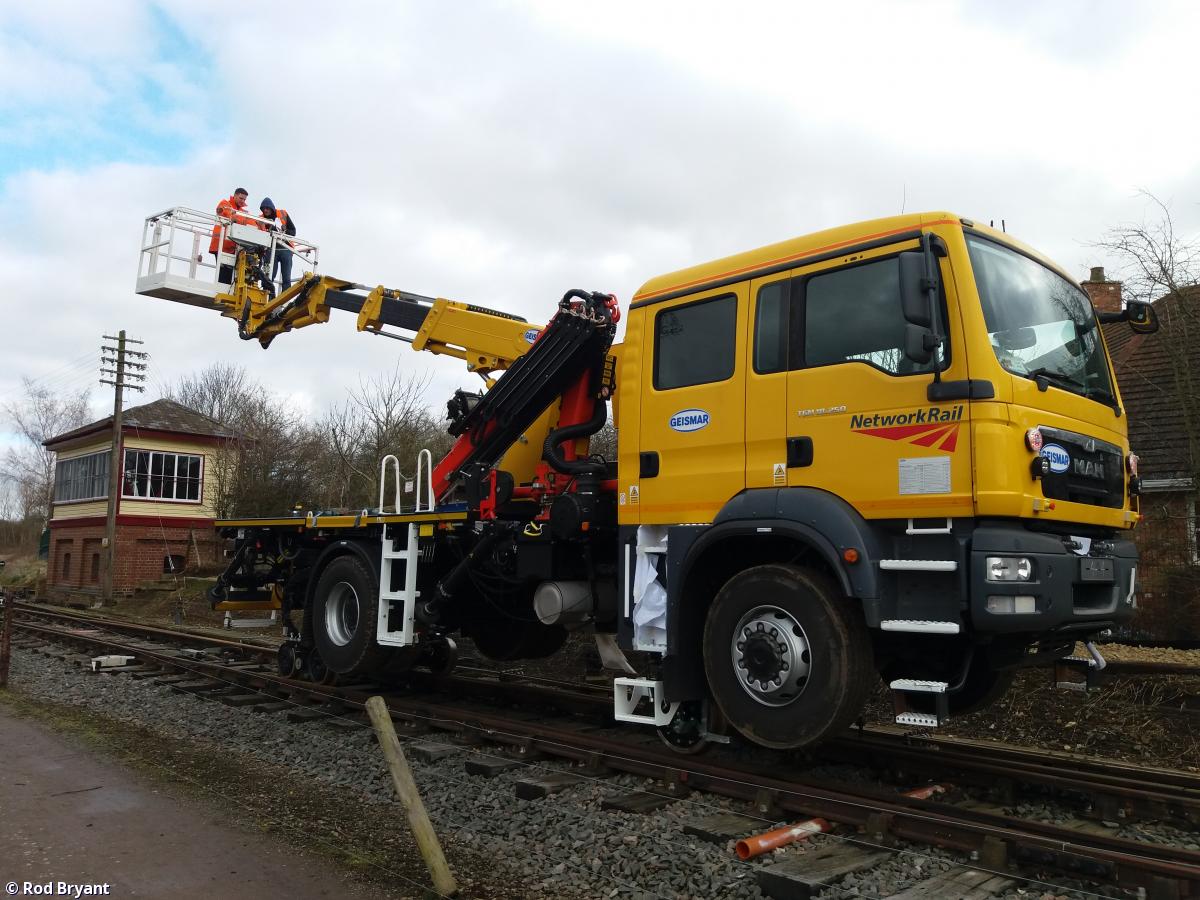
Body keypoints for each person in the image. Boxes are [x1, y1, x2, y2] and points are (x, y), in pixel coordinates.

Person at [209, 187, 254, 284]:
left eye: (244, 199)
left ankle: (224, 294)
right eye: (241, 198)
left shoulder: (243, 212)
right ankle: (220, 293)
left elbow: (251, 222)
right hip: (220, 245)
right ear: (235, 196)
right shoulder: (225, 204)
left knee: (229, 275)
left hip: (233, 248)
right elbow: (229, 215)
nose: (243, 201)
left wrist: (262, 225)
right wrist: (240, 220)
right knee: (222, 274)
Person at [259, 198, 297, 290]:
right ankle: (269, 299)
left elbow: (293, 231)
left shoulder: (283, 214)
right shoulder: (260, 219)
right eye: (263, 209)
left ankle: (284, 302)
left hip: (286, 249)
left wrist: (285, 230)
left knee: (286, 279)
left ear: (272, 208)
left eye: (267, 208)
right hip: (271, 250)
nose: (265, 210)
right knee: (269, 277)